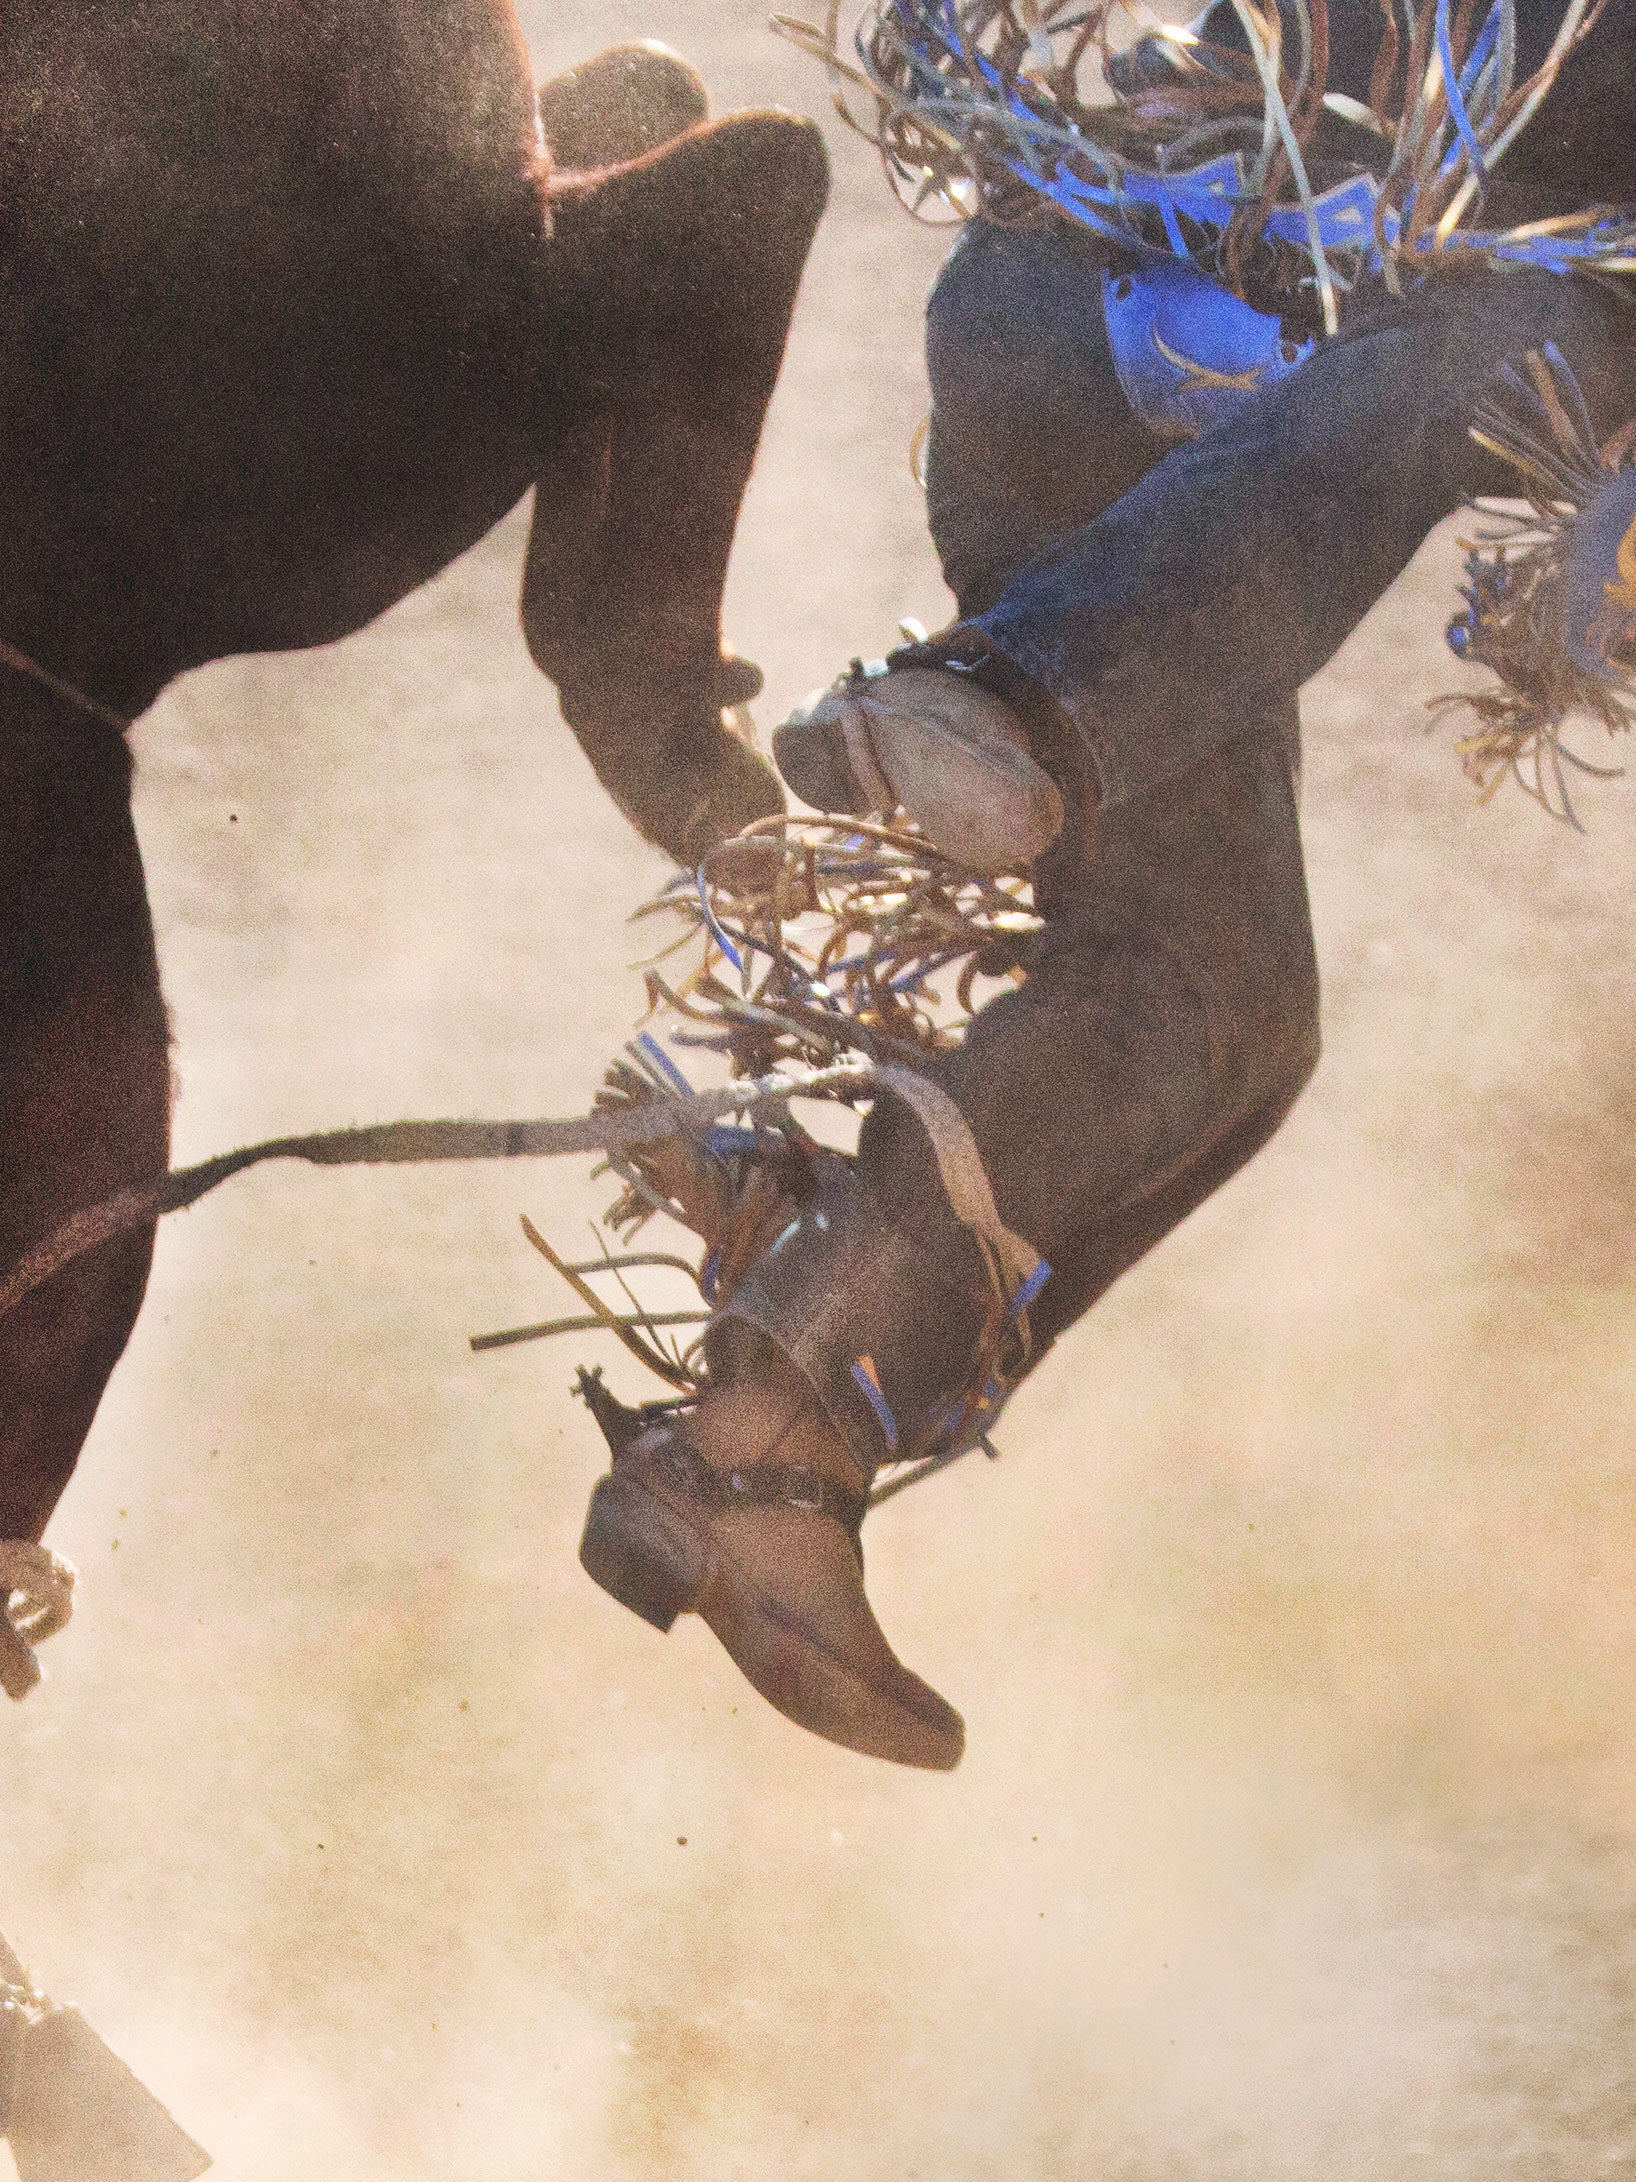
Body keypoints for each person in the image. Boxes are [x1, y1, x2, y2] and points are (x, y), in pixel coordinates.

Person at [576, 0, 1636, 1771]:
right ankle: (1014, 709)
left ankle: (785, 1412)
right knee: (1552, 336)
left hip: (1065, 343)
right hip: (1114, 332)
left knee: (1218, 1007)